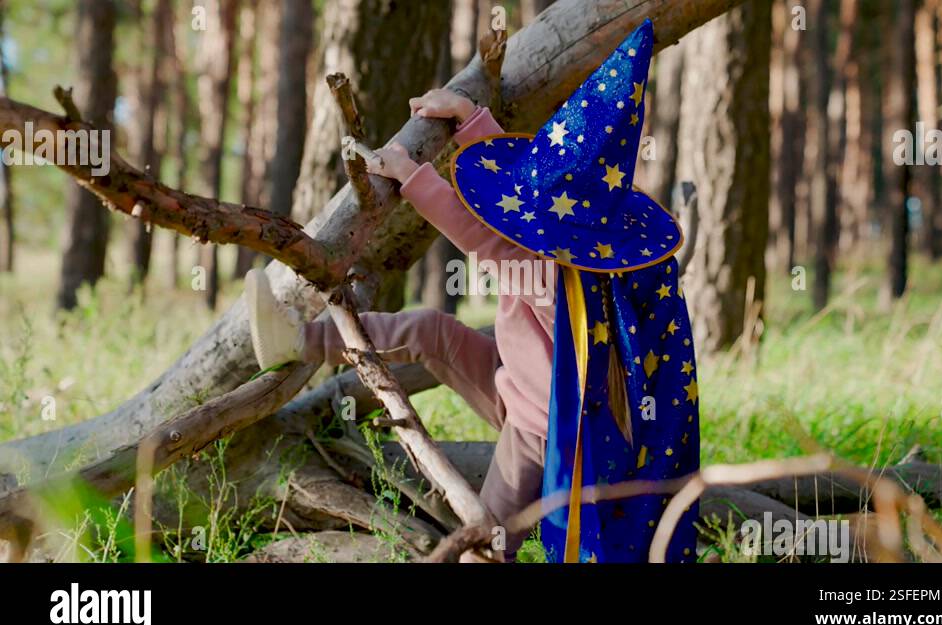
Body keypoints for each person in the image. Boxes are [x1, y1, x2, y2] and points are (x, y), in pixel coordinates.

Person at [246, 19, 699, 563]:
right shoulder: (580, 237)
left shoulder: (561, 280)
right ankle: (296, 339)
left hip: (543, 427)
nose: (526, 216)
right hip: (513, 380)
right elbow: (519, 191)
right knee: (429, 331)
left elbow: (486, 241)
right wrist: (471, 122)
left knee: (488, 540)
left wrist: (415, 179)